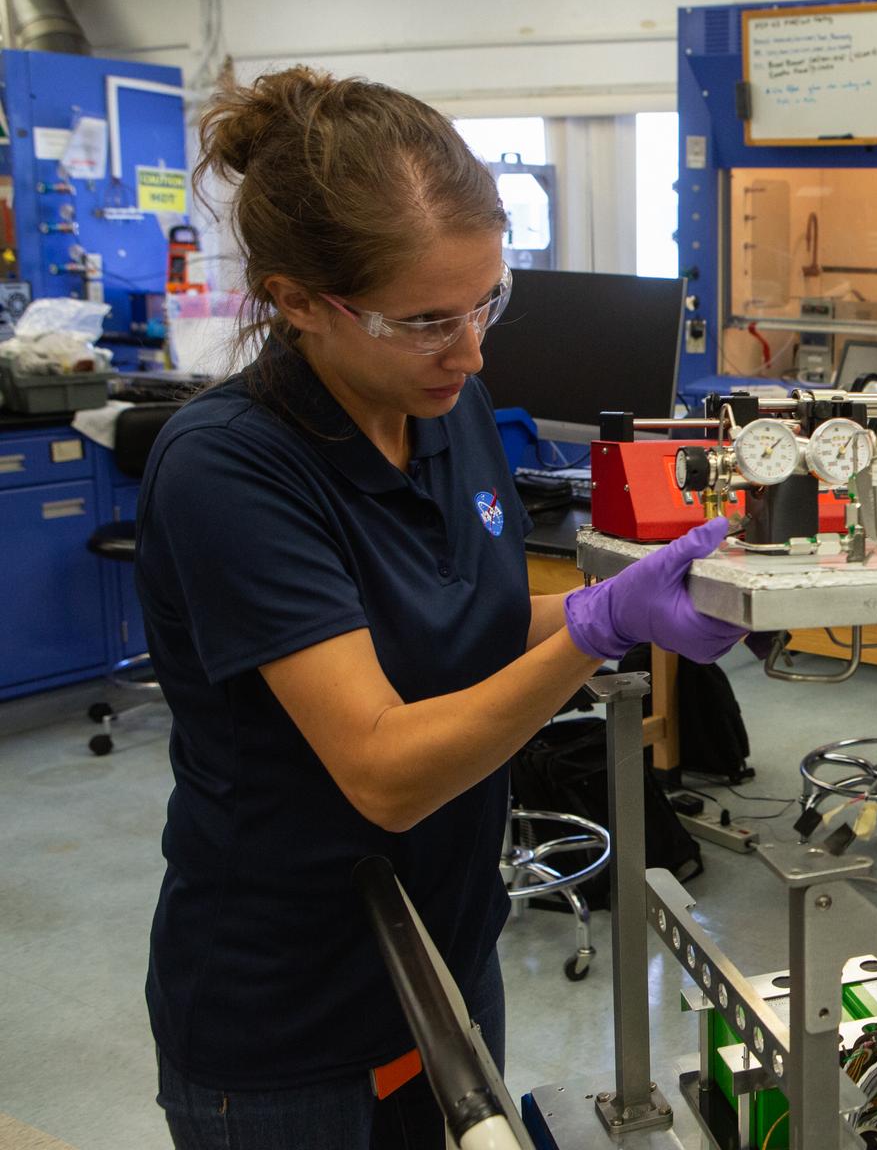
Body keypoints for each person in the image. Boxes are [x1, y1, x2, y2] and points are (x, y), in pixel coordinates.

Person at [138, 66, 746, 1148]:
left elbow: (465, 626)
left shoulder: (446, 407)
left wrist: (618, 604)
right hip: (290, 1018)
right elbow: (384, 768)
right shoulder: (231, 469)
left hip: (447, 960)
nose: (471, 353)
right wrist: (599, 631)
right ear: (295, 301)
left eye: (486, 303)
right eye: (424, 320)